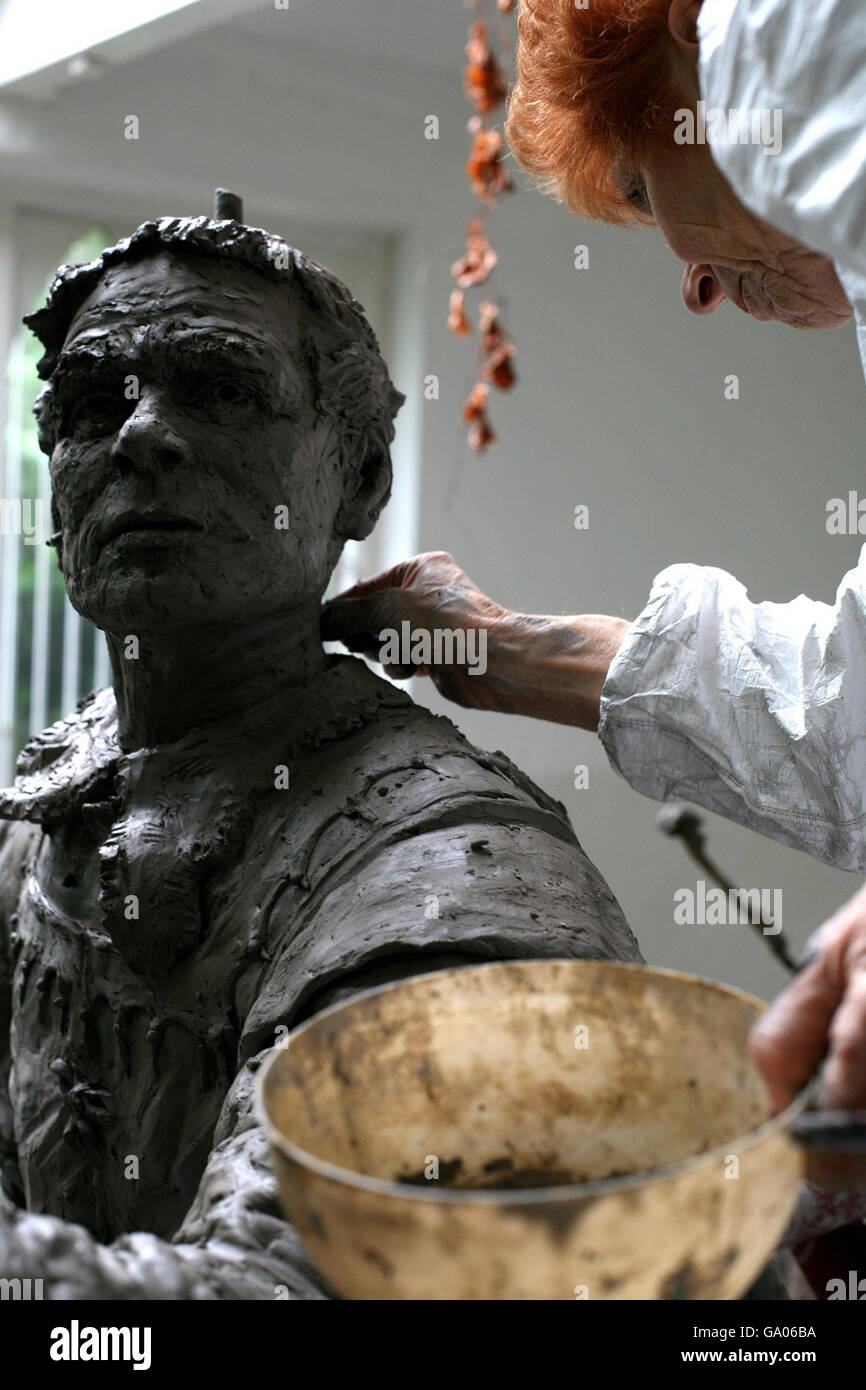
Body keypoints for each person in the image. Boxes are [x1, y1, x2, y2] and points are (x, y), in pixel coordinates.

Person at [0, 208, 641, 1298]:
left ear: (360, 480)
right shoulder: (46, 801)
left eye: (220, 389)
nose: (139, 436)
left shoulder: (458, 875)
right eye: (92, 401)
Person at [321, 0, 866, 1222]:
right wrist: (509, 652)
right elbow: (854, 723)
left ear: (676, 38)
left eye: (638, 181)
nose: (694, 293)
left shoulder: (774, 26)